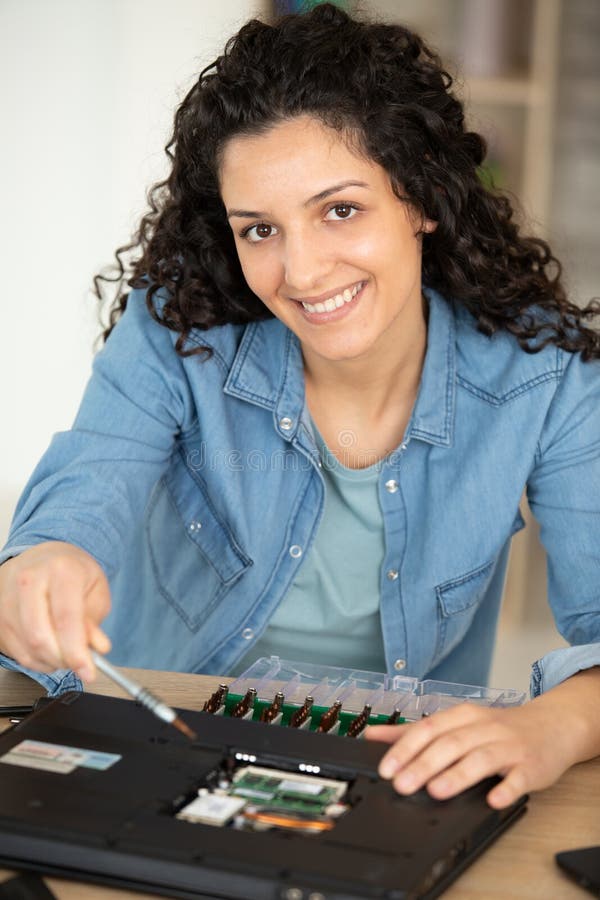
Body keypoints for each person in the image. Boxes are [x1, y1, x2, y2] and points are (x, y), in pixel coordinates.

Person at [1, 2, 599, 811]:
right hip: (162, 746)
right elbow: (89, 480)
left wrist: (555, 723)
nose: (303, 271)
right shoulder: (180, 328)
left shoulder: (544, 373)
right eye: (259, 230)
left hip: (392, 779)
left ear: (422, 198)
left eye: (340, 210)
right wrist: (45, 560)